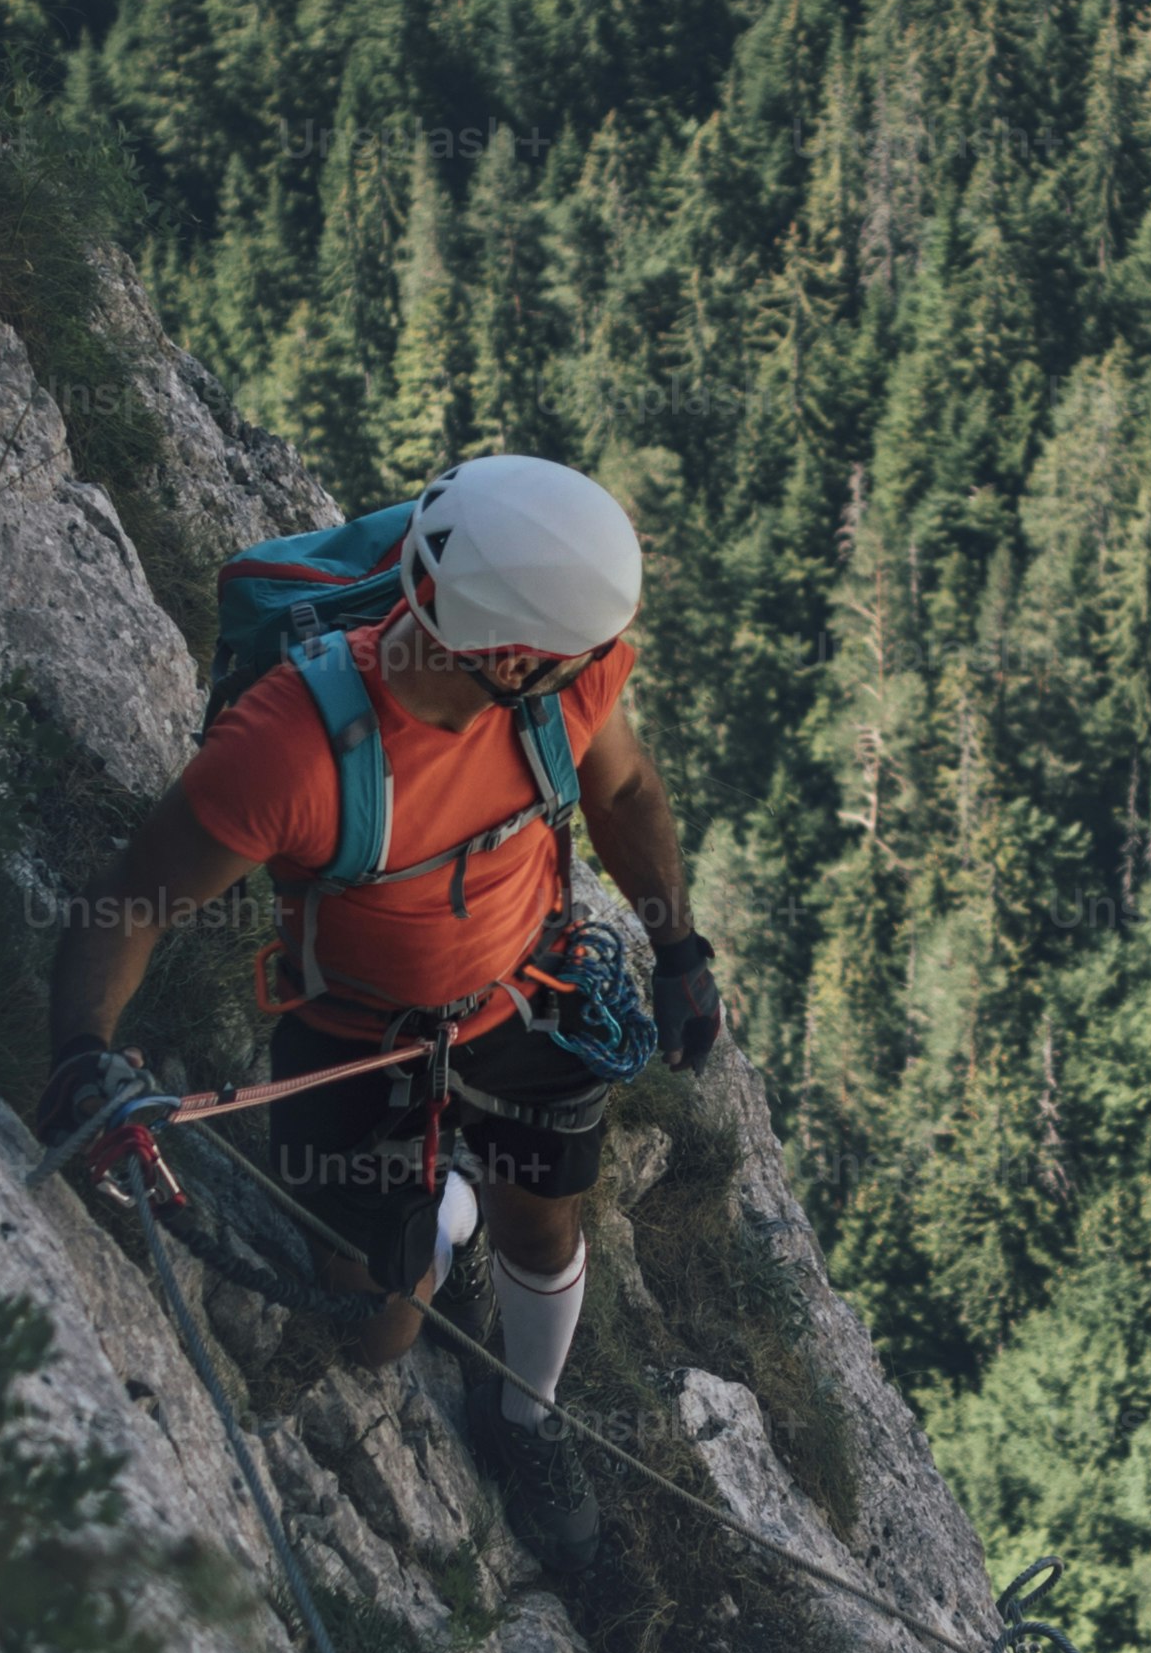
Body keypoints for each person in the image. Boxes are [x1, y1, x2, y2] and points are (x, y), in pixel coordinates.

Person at [36, 455, 727, 1473]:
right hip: (356, 1040)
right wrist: (80, 1054)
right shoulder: (290, 748)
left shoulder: (553, 698)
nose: (600, 668)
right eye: (579, 656)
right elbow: (136, 897)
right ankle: (446, 1209)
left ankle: (528, 1421)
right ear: (516, 659)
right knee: (377, 1332)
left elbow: (622, 796)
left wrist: (679, 948)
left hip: (530, 1004)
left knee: (544, 1234)